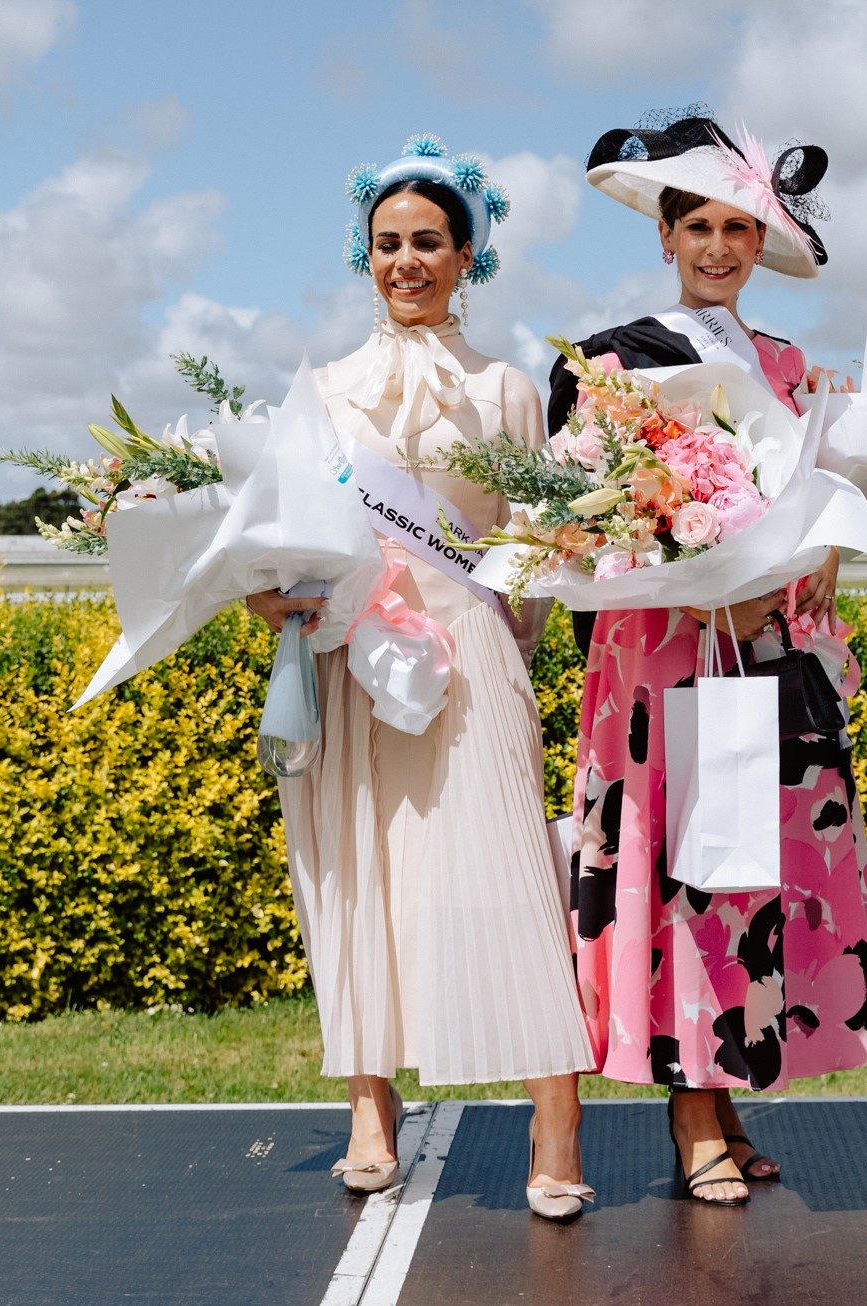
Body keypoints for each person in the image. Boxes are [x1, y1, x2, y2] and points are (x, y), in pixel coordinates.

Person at [551, 110, 867, 1206]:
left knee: (746, 865)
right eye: (697, 226)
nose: (716, 247)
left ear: (761, 244)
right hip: (658, 661)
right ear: (664, 237)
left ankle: (727, 1087)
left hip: (763, 650)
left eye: (737, 229)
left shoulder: (795, 366)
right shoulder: (608, 361)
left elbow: (814, 510)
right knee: (682, 868)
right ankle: (693, 1110)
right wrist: (659, 527)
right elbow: (573, 515)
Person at [245, 135, 596, 1222]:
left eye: (428, 242)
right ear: (368, 254)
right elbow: (281, 535)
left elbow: (532, 554)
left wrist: (504, 646)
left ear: (467, 255)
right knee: (357, 877)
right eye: (387, 243)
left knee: (510, 877)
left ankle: (557, 1119)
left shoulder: (505, 390)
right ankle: (369, 1105)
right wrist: (269, 597)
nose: (407, 260)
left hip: (468, 654)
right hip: (351, 655)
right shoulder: (321, 387)